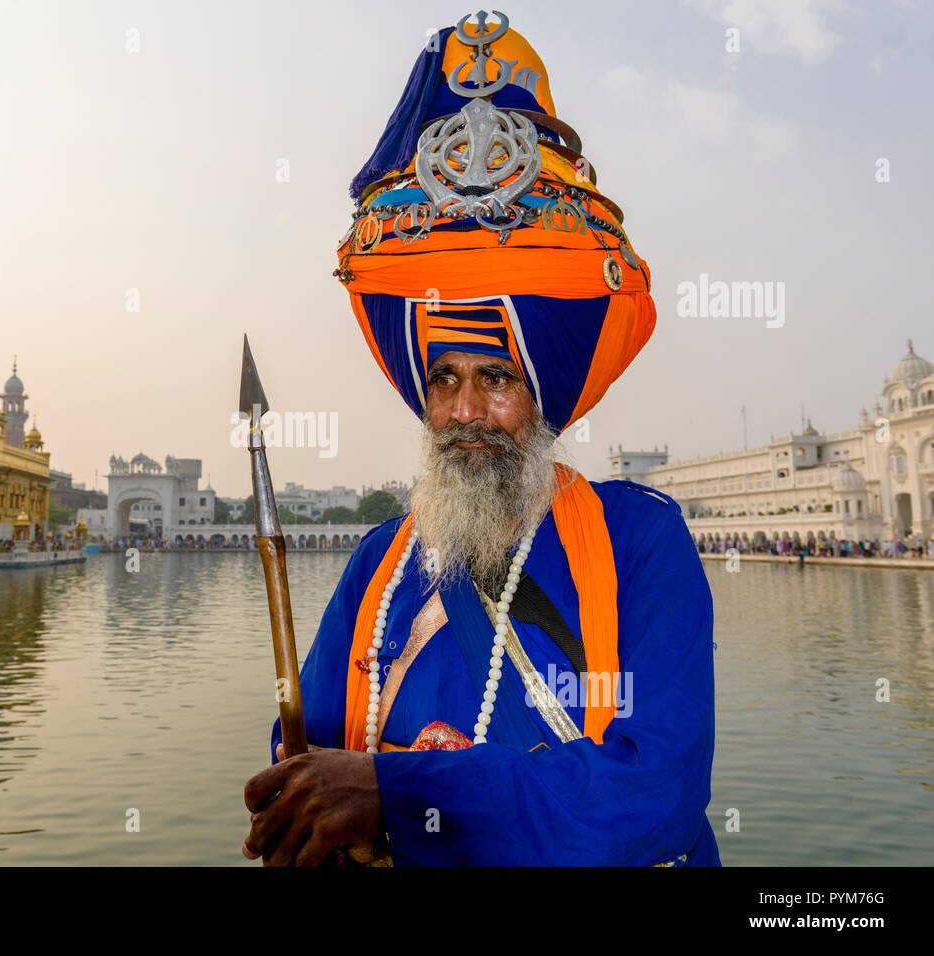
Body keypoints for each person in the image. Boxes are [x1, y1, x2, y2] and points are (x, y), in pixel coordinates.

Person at [242, 11, 717, 867]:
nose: (464, 411)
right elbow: (311, 748)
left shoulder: (642, 541)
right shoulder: (378, 563)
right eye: (444, 381)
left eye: (495, 379)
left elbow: (656, 797)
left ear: (542, 396)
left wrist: (398, 796)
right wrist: (301, 797)